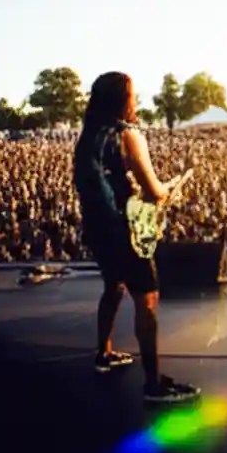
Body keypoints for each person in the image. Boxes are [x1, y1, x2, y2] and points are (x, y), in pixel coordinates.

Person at [73, 72, 199, 402]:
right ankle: (154, 385)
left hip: (97, 228)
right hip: (125, 232)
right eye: (132, 96)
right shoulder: (128, 136)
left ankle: (104, 353)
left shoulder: (88, 136)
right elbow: (153, 190)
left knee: (113, 286)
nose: (136, 101)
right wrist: (166, 192)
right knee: (148, 300)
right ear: (123, 100)